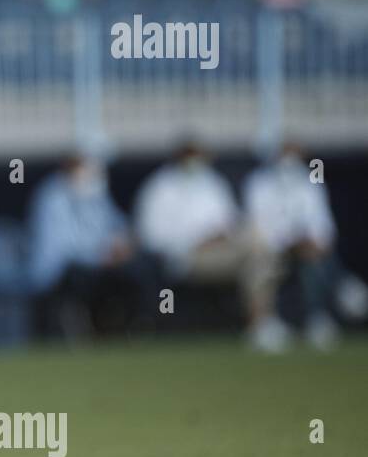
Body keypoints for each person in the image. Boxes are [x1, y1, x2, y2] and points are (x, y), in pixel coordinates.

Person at [133, 142, 284, 351]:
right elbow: (151, 237)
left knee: (258, 253)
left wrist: (221, 235)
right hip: (186, 259)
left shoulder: (212, 182)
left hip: (224, 251)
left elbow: (231, 221)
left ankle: (260, 323)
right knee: (260, 253)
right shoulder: (160, 187)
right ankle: (262, 322)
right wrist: (197, 240)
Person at [243, 143, 364, 349]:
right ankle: (341, 285)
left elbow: (321, 223)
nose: (289, 161)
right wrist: (289, 240)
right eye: (285, 154)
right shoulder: (259, 183)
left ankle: (317, 319)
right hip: (271, 248)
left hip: (306, 248)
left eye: (294, 155)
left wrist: (314, 240)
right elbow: (259, 224)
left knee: (314, 257)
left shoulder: (311, 182)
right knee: (260, 259)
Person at [28, 156, 153, 338]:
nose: (92, 177)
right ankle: (83, 326)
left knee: (139, 269)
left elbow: (117, 226)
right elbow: (61, 246)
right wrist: (100, 255)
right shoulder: (52, 198)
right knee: (82, 277)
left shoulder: (94, 195)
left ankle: (134, 327)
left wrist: (123, 244)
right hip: (58, 271)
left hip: (98, 264)